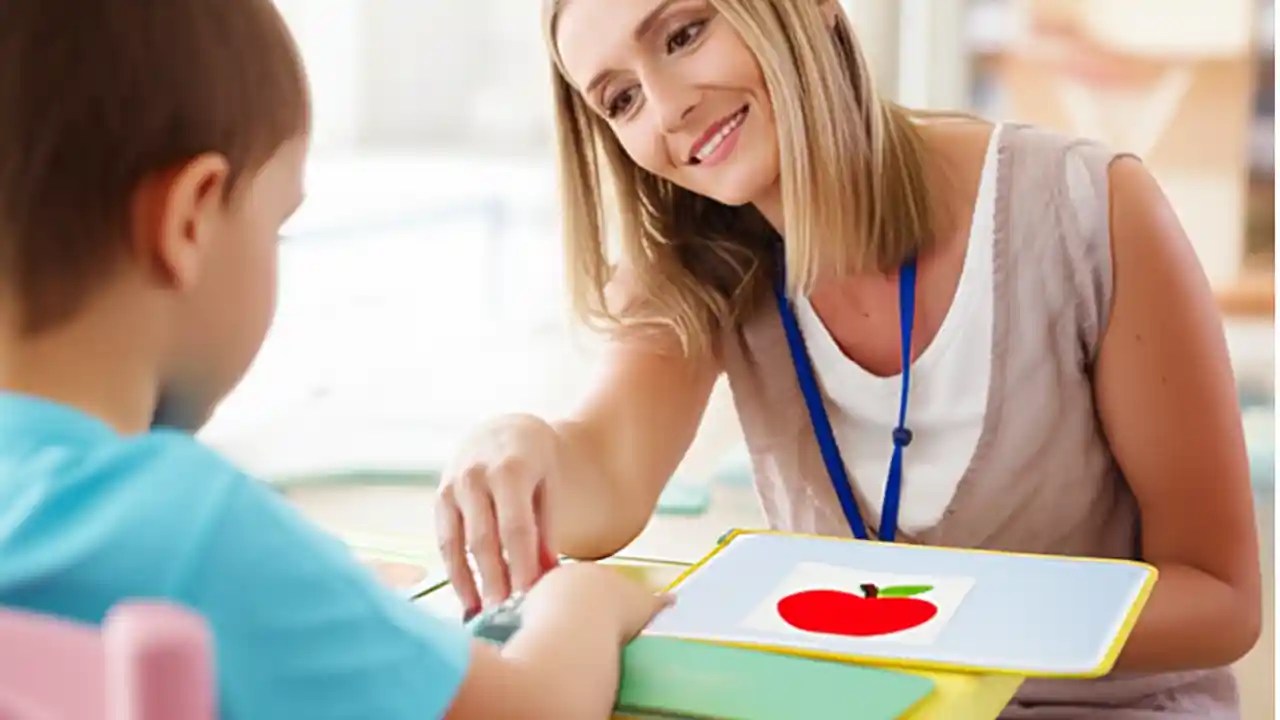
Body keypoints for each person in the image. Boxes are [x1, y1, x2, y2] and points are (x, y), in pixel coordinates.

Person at [437, 0, 1262, 715]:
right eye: (619, 98)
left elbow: (1220, 600)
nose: (667, 107)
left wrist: (931, 619)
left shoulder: (1091, 206)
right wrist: (518, 445)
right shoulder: (697, 269)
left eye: (684, 34)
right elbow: (605, 478)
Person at [0, 2, 667, 719]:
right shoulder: (192, 532)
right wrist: (584, 603)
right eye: (275, 226)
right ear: (190, 220)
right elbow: (534, 710)